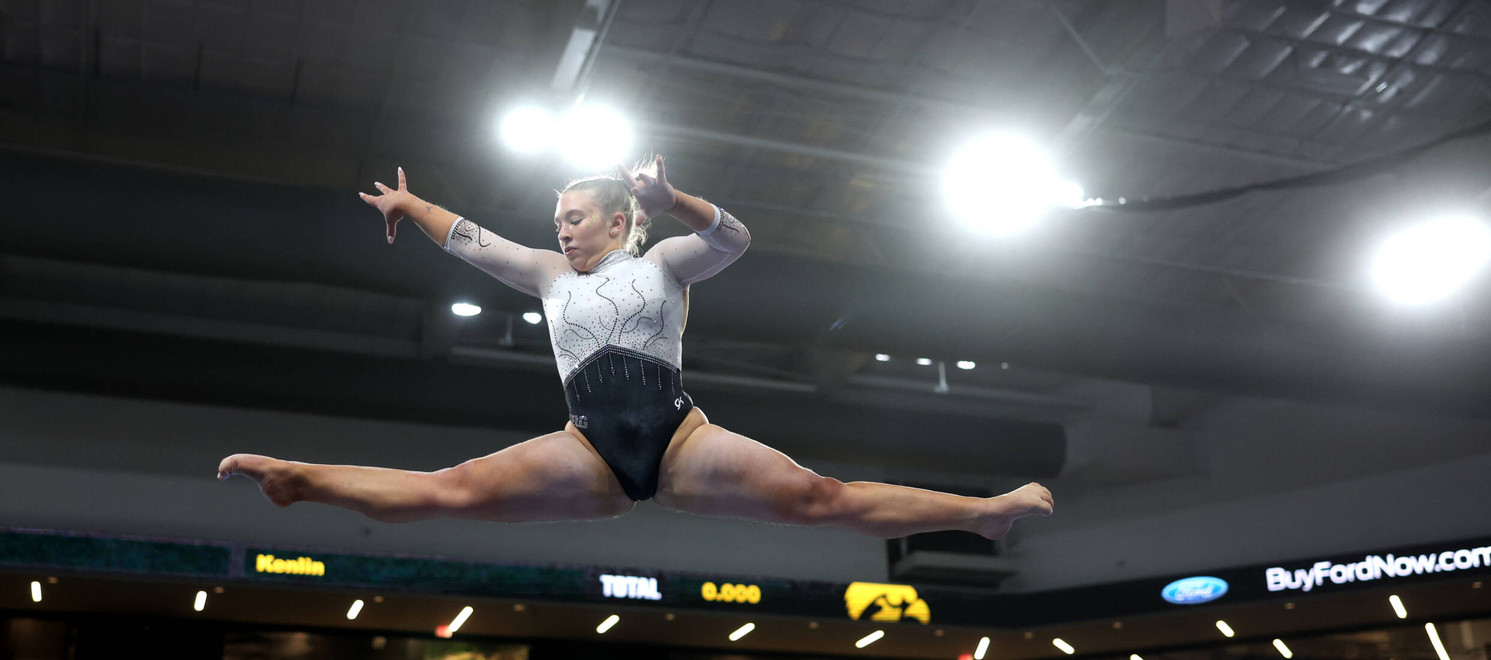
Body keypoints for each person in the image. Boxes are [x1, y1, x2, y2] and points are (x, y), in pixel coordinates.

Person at [219, 159, 1055, 543]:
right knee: (456, 489)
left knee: (819, 495)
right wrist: (413, 202)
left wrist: (675, 197)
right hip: (588, 448)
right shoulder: (548, 274)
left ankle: (982, 513)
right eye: (557, 223)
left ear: (620, 220)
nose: (561, 231)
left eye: (575, 219)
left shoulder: (662, 264)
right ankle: (301, 482)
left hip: (682, 438)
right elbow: (472, 243)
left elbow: (734, 239)